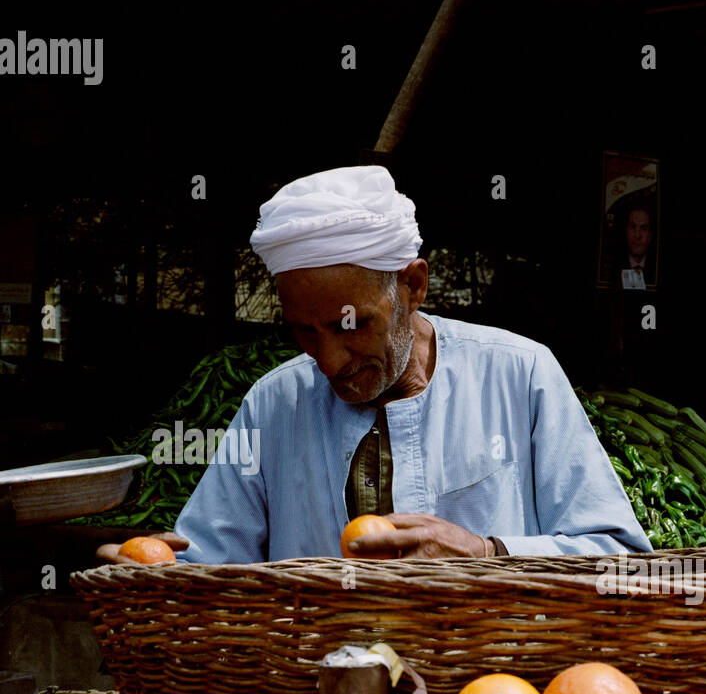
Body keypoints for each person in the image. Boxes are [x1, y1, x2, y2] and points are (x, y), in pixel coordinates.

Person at [104, 166, 650, 563]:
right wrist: (156, 573)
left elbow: (616, 554)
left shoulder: (520, 375)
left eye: (350, 325)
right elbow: (210, 564)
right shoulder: (273, 405)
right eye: (304, 331)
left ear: (412, 286)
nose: (330, 361)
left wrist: (487, 551)